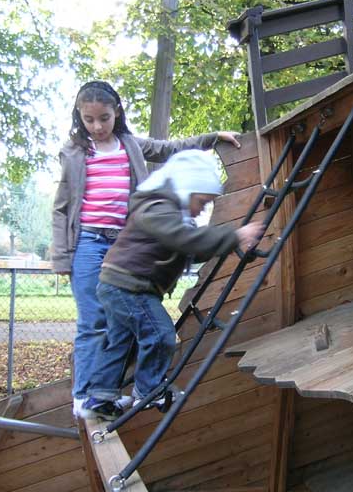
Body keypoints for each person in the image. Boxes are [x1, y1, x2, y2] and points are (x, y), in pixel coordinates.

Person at [51, 80, 243, 416]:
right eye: (89, 120)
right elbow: (61, 207)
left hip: (122, 242)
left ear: (116, 114)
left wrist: (211, 139)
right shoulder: (74, 154)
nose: (96, 126)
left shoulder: (131, 145)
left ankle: (107, 391)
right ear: (79, 117)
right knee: (93, 321)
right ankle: (83, 397)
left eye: (104, 118)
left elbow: (171, 148)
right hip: (87, 242)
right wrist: (61, 257)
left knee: (118, 321)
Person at [80, 150, 264, 419]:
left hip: (119, 284)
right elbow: (185, 241)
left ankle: (100, 398)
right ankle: (149, 389)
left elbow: (190, 250)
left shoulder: (170, 214)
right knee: (160, 335)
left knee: (120, 342)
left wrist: (231, 242)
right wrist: (233, 235)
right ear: (187, 188)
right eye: (202, 201)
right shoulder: (157, 208)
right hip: (129, 286)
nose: (203, 208)